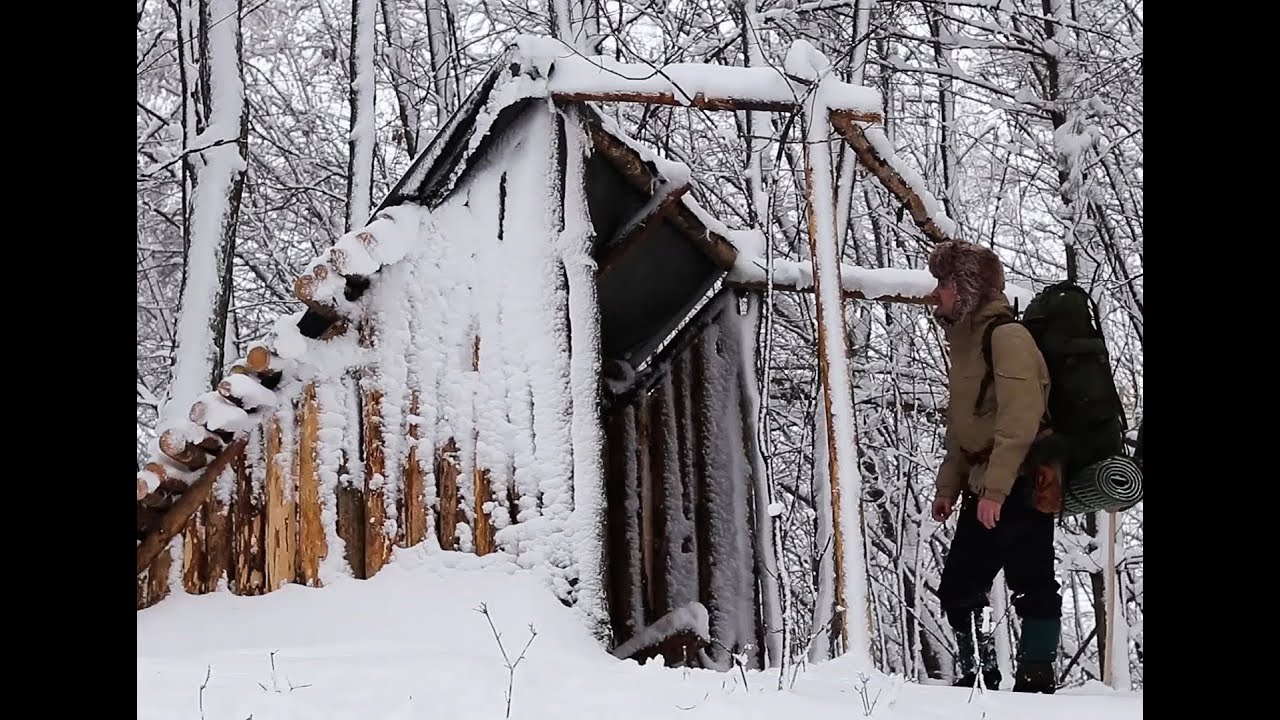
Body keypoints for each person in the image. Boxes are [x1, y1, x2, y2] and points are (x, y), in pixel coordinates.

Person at [926, 240, 1061, 694]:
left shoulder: (1007, 337)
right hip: (986, 485)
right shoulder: (965, 343)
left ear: (966, 287)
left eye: (943, 283)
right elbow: (965, 427)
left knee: (1033, 585)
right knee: (958, 589)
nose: (936, 293)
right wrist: (949, 487)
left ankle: (1036, 682)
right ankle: (978, 678)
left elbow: (1019, 422)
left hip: (1023, 483)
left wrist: (995, 494)